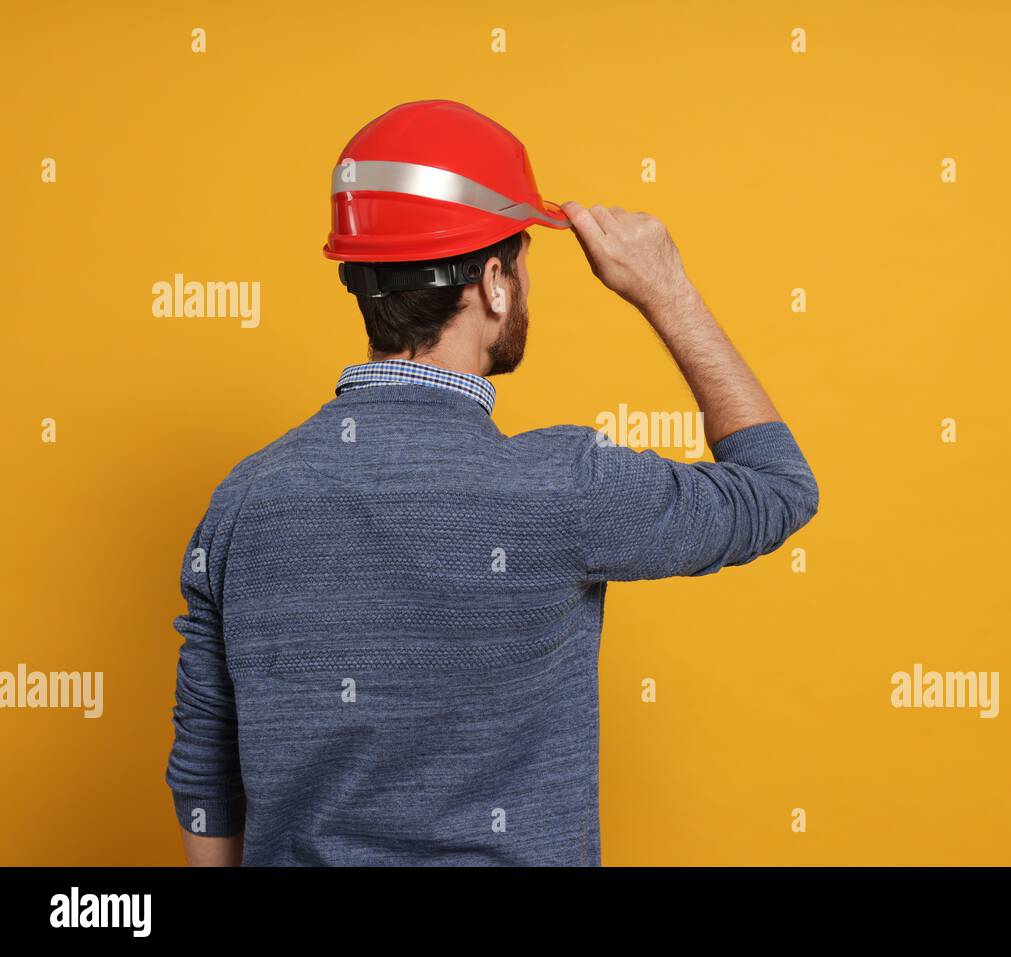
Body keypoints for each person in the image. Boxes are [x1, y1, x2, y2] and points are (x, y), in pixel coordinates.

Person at [165, 100, 819, 865]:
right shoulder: (566, 488)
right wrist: (665, 290)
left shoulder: (244, 499)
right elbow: (778, 485)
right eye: (522, 265)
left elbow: (204, 774)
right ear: (494, 282)